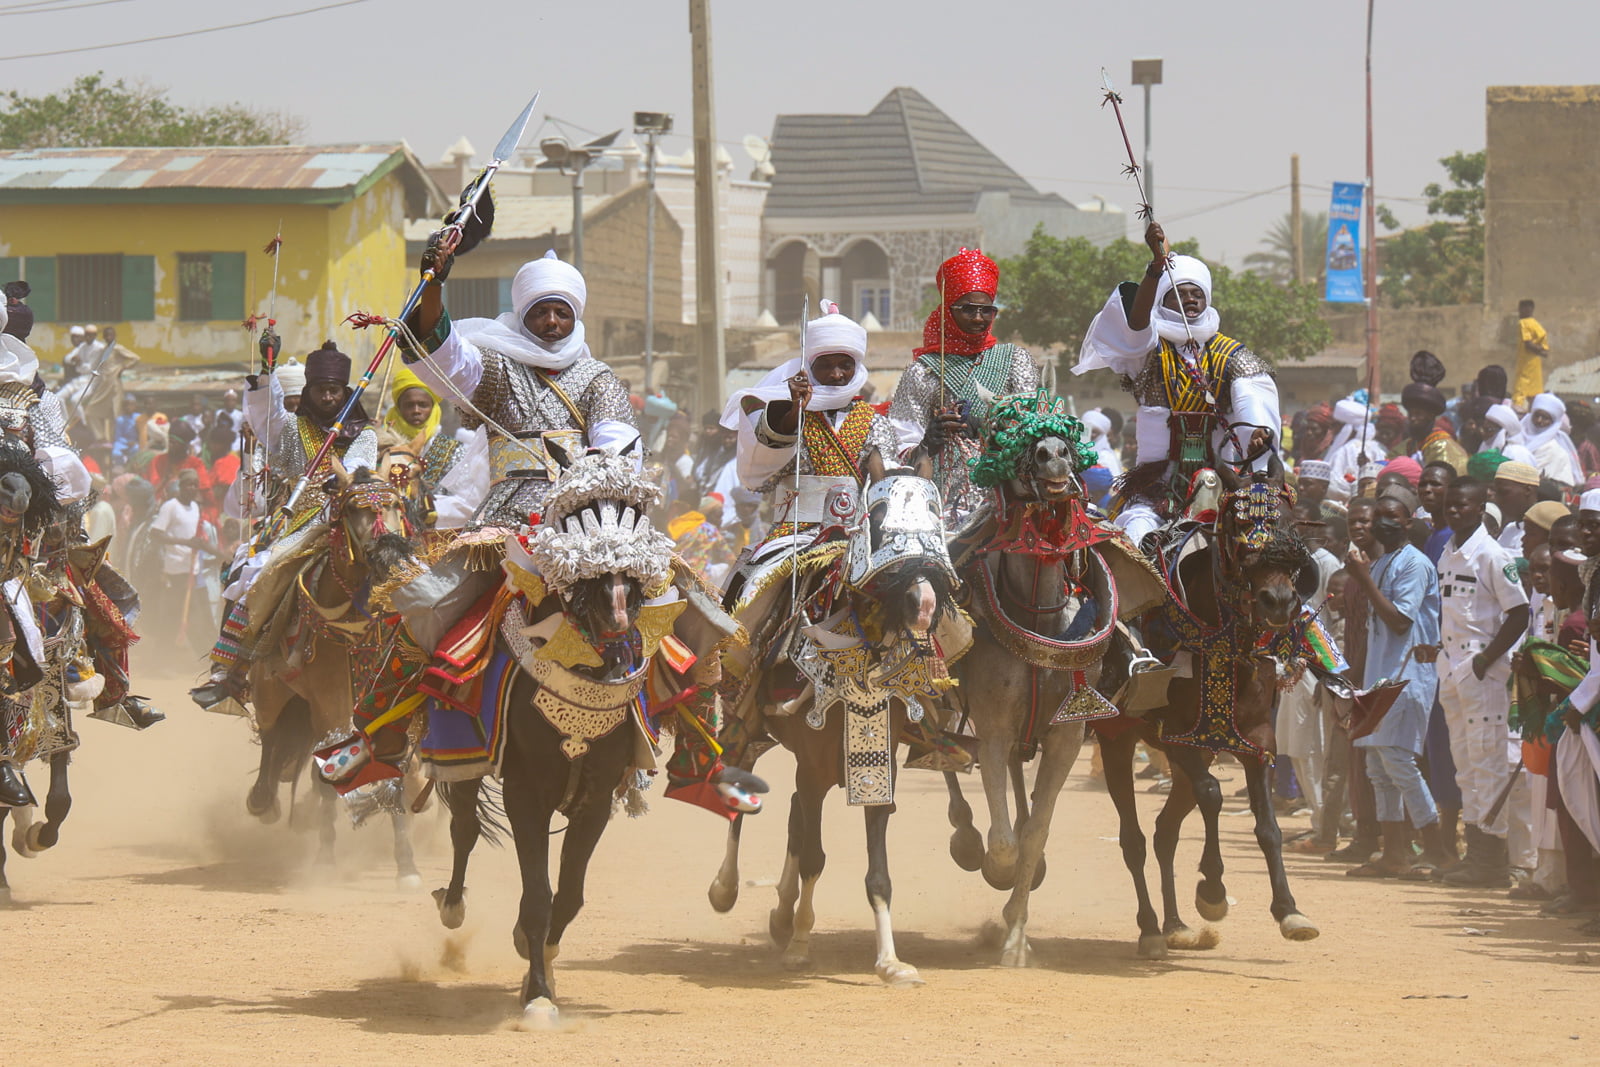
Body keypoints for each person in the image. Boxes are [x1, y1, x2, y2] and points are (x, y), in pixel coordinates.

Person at [1074, 222, 1278, 545]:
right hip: (1155, 488)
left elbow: (1252, 397)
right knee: (1135, 537)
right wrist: (1156, 270)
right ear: (1162, 300)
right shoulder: (1149, 351)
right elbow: (1137, 325)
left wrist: (1257, 432)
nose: (1190, 300)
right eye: (1179, 294)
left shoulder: (1230, 354)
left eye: (1197, 294)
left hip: (1217, 483)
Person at [402, 247, 637, 526]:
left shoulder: (597, 379)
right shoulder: (495, 368)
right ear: (522, 315)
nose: (551, 320)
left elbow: (619, 448)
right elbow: (447, 358)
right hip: (503, 515)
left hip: (581, 518)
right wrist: (435, 287)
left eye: (562, 312)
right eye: (540, 311)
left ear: (575, 319)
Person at [892, 246, 1039, 524]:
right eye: (968, 309)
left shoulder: (1015, 360)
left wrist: (986, 426)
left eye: (987, 310)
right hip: (937, 499)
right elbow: (899, 442)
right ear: (948, 310)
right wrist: (928, 441)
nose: (978, 318)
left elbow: (1032, 426)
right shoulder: (922, 371)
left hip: (1005, 493)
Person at [1344, 496, 1449, 878]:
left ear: (1408, 522)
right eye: (1378, 517)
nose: (1382, 523)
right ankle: (1394, 853)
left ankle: (1436, 849)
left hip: (1406, 676)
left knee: (1400, 762)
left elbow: (1401, 621)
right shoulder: (1383, 561)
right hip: (1378, 676)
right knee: (1377, 765)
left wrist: (1364, 580)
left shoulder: (1415, 563)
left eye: (1391, 517)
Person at [1435, 476, 1531, 888]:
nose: (1454, 510)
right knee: (1465, 764)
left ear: (1480, 507)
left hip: (1481, 667)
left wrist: (1487, 660)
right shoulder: (1447, 553)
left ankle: (1491, 860)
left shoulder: (1492, 554)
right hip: (1451, 665)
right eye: (1449, 505)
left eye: (1463, 505)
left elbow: (1519, 613)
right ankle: (1475, 852)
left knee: (1488, 760)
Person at [1521, 393, 1581, 488]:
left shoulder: (1551, 448)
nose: (1539, 420)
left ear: (1553, 422)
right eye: (1537, 415)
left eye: (1545, 418)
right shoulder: (1518, 436)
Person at [1491, 461, 1541, 554]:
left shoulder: (1542, 531)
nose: (1497, 499)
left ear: (1527, 490)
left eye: (1503, 492)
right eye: (1496, 493)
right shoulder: (1510, 529)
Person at [1513, 300, 1550, 411]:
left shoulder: (1523, 323)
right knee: (1534, 393)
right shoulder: (1536, 324)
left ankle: (1519, 411)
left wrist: (1539, 350)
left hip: (1527, 363)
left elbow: (1528, 344)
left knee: (1521, 391)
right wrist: (1542, 351)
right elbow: (1538, 346)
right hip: (1533, 362)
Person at [1080, 408, 1124, 477]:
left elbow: (1115, 481)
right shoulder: (1074, 452)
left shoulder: (1106, 456)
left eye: (1094, 431)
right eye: (1088, 430)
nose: (1091, 434)